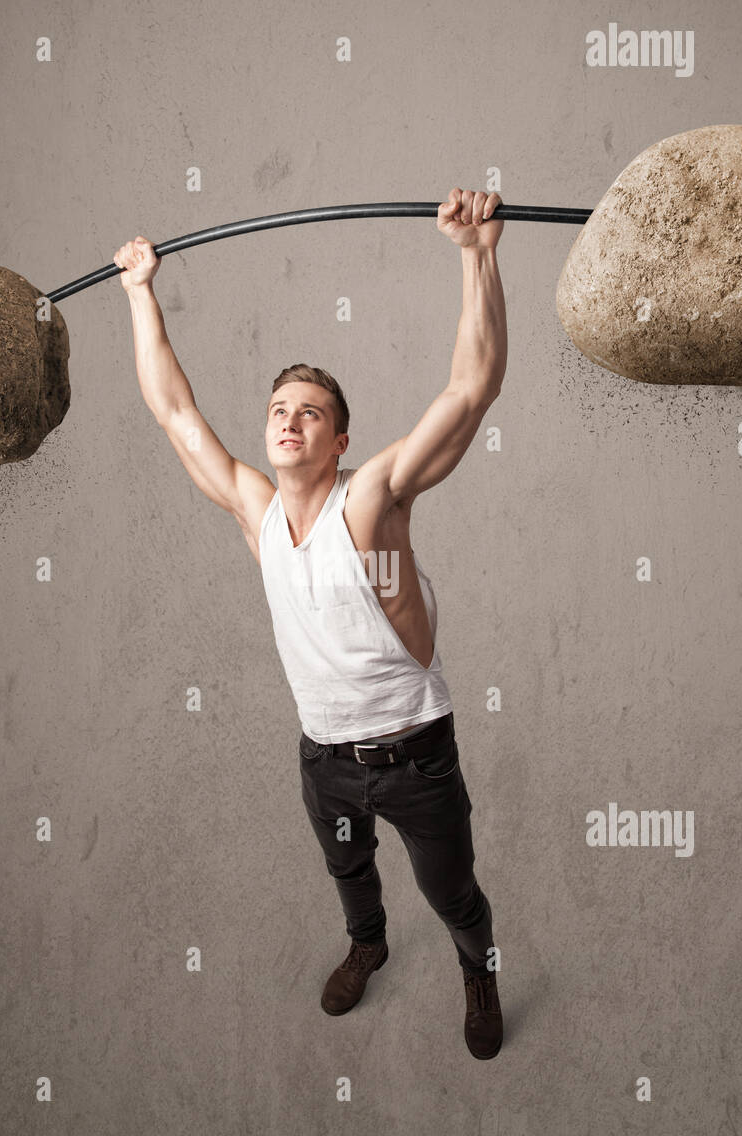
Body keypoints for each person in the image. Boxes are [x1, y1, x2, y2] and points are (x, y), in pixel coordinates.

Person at [115, 188, 507, 1059]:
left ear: (338, 440)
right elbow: (177, 416)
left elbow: (471, 390)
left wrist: (477, 255)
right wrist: (142, 293)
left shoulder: (369, 500)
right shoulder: (257, 512)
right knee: (349, 871)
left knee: (455, 895)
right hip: (324, 757)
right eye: (279, 410)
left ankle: (478, 968)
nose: (290, 421)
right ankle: (368, 943)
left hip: (414, 754)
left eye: (311, 413)